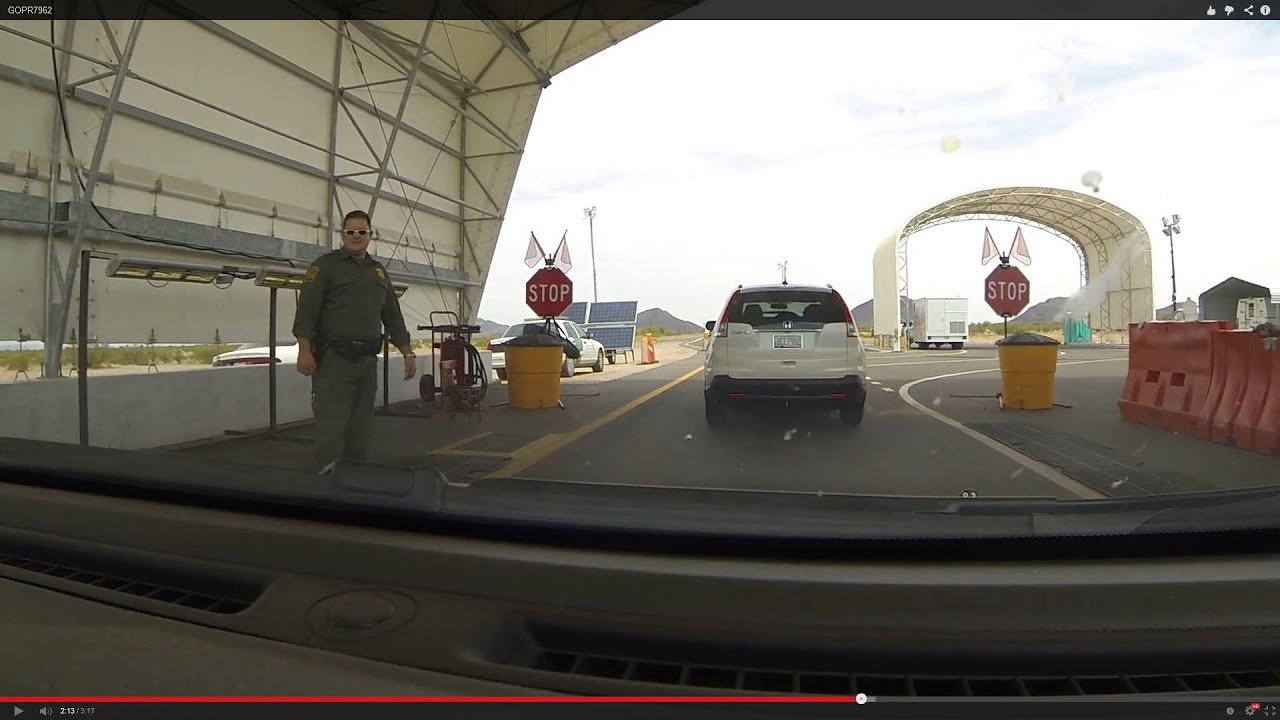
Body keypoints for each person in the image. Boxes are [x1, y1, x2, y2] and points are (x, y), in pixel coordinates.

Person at [292, 209, 417, 472]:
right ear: (342, 234)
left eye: (362, 232)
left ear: (371, 235)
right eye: (351, 232)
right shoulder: (325, 266)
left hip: (366, 363)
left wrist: (408, 352)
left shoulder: (379, 273)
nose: (356, 236)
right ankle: (327, 489)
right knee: (331, 430)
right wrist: (305, 351)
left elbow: (392, 316)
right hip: (334, 362)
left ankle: (354, 486)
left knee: (360, 431)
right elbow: (307, 310)